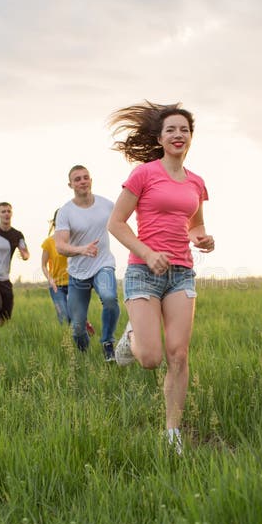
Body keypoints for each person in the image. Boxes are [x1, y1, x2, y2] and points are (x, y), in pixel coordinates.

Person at [107, 101, 215, 454]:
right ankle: (132, 338)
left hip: (181, 273)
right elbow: (116, 223)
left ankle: (172, 434)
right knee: (151, 358)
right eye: (171, 129)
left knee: (179, 355)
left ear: (190, 137)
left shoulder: (196, 182)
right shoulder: (144, 174)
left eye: (184, 129)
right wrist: (147, 253)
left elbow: (195, 224)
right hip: (143, 272)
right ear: (160, 137)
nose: (178, 134)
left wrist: (202, 238)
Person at [54, 165, 120, 360]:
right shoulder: (66, 212)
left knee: (109, 298)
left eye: (85, 177)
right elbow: (60, 246)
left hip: (103, 264)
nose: (82, 181)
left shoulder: (107, 205)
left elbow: (122, 224)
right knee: (77, 327)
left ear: (91, 180)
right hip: (77, 273)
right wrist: (81, 249)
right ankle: (85, 357)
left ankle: (108, 342)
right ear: (70, 184)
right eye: (77, 179)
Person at [41, 209, 95, 335]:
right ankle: (69, 340)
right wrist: (50, 280)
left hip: (74, 283)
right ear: (55, 223)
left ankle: (82, 327)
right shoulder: (48, 243)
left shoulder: (76, 241)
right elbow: (43, 265)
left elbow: (84, 260)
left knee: (74, 314)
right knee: (63, 316)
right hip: (56, 286)